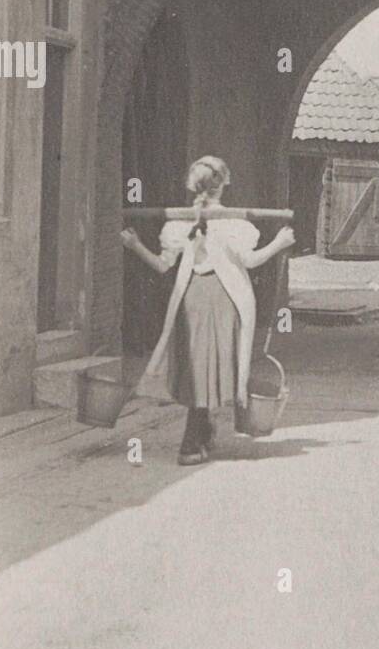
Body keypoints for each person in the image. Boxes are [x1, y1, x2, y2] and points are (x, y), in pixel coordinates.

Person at [121, 156, 295, 465]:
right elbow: (251, 261)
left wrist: (135, 245)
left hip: (191, 297)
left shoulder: (179, 223)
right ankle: (190, 444)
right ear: (225, 182)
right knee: (212, 367)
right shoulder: (233, 224)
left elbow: (163, 266)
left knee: (199, 366)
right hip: (223, 298)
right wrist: (279, 243)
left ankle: (202, 433)